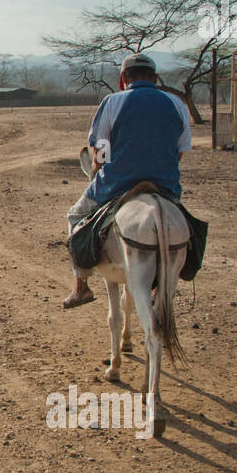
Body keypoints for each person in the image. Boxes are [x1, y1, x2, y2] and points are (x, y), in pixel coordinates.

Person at [63, 52, 191, 309]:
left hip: (117, 184)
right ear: (155, 78)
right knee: (185, 224)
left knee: (74, 216)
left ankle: (81, 285)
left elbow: (101, 152)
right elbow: (179, 151)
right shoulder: (177, 104)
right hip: (164, 185)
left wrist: (99, 168)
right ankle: (176, 274)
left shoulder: (113, 102)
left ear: (122, 79)